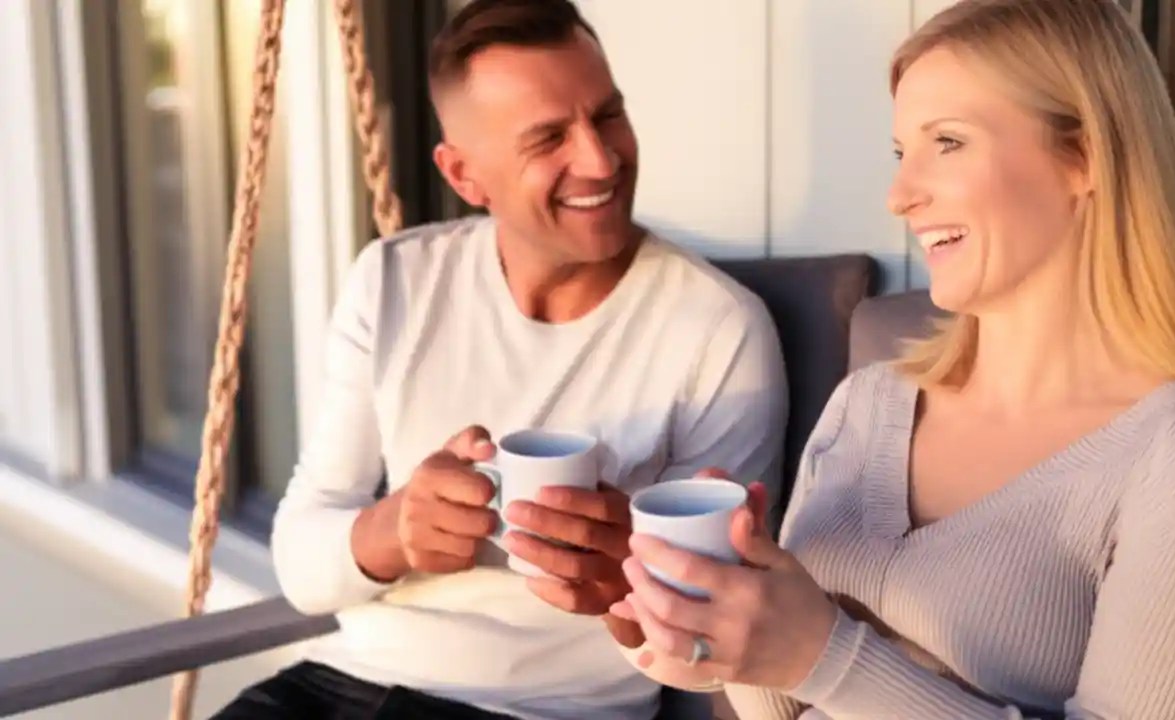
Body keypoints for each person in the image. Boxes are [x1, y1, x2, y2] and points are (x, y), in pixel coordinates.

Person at [612, 0, 1175, 718]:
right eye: (903, 153)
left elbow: (822, 664)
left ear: (1085, 157)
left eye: (949, 143)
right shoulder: (866, 405)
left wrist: (824, 654)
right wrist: (705, 612)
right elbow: (779, 704)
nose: (900, 195)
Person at [213, 1, 787, 718]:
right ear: (464, 175)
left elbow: (721, 640)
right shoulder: (394, 280)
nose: (600, 159)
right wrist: (396, 530)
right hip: (330, 690)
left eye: (607, 115)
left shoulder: (717, 329)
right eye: (549, 137)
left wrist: (623, 581)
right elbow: (301, 562)